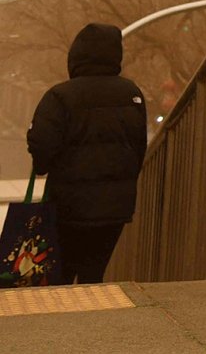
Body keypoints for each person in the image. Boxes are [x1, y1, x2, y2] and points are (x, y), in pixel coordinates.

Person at [26, 22, 147, 284]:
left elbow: (42, 148)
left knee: (61, 271)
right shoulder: (132, 94)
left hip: (69, 207)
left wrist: (41, 161)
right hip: (115, 205)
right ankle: (92, 313)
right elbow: (138, 148)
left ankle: (65, 320)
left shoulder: (60, 96)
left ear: (76, 56)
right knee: (94, 270)